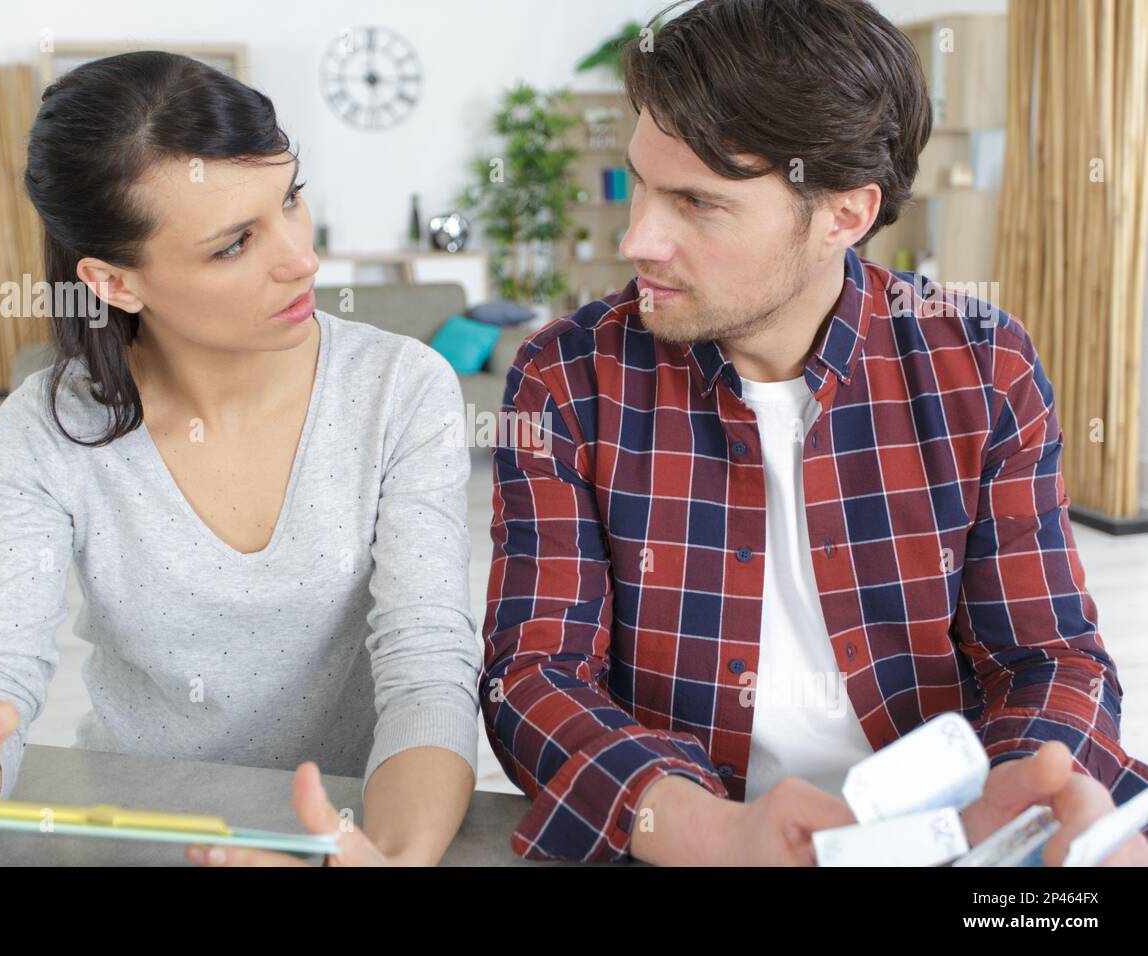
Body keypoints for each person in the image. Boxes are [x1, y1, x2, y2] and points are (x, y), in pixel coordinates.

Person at [480, 0, 1148, 865]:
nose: (639, 236)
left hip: (951, 831)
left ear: (845, 214)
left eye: (696, 202)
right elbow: (531, 678)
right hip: (696, 835)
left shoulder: (982, 365)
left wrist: (1020, 800)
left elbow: (1050, 654)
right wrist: (711, 830)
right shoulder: (568, 374)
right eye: (641, 183)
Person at [0, 51, 480, 867]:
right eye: (233, 245)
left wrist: (386, 857)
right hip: (145, 831)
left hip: (360, 821)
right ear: (115, 282)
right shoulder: (45, 434)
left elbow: (427, 666)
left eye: (289, 199)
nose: (301, 259)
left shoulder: (400, 389)